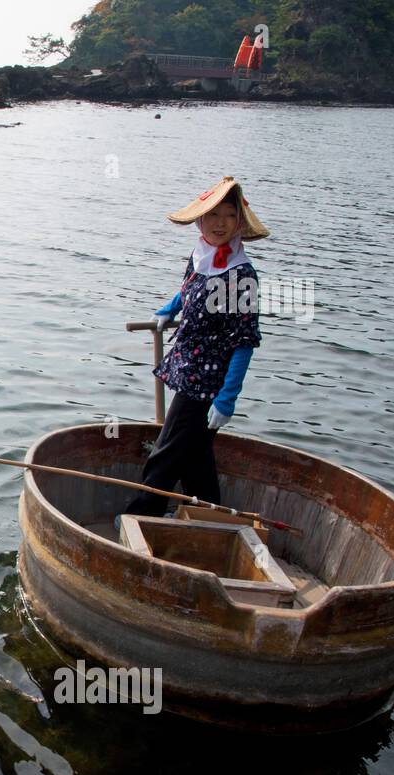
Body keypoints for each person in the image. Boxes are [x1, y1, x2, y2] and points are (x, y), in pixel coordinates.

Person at [122, 175, 268, 519]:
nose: (220, 224)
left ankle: (143, 514)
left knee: (167, 451)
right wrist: (170, 308)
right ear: (201, 219)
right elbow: (190, 288)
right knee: (196, 455)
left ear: (239, 222)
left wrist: (227, 397)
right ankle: (209, 516)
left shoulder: (241, 275)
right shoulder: (201, 254)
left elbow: (244, 341)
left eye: (230, 215)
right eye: (213, 215)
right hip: (189, 365)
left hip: (209, 381)